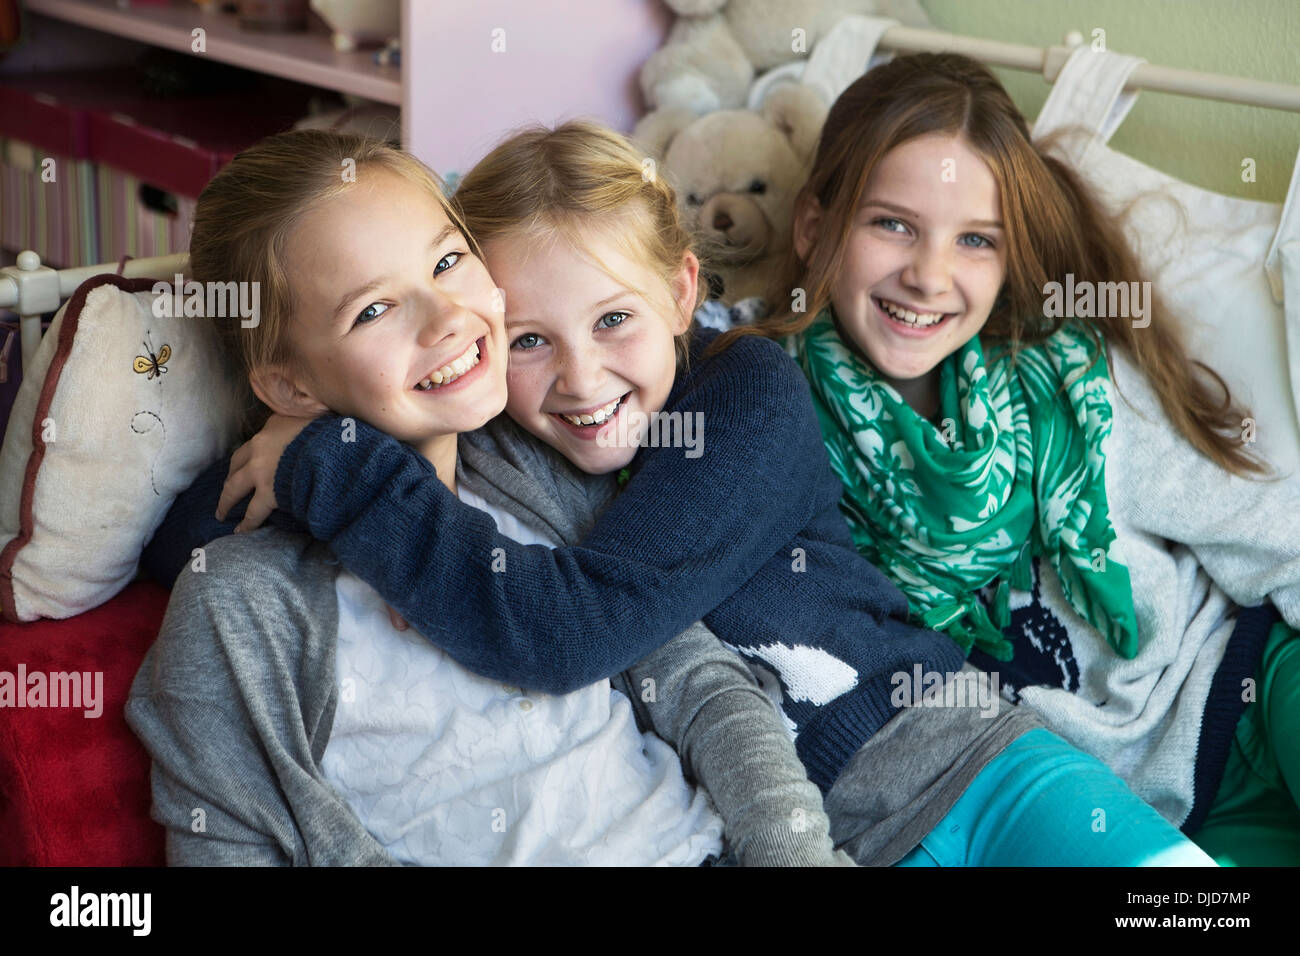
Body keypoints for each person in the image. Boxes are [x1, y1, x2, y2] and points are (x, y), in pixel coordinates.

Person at [210, 122, 1216, 866]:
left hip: (965, 762)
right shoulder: (501, 440)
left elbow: (565, 632)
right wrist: (300, 428)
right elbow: (239, 558)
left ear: (684, 292)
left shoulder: (744, 397)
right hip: (801, 833)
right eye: (528, 337)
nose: (580, 379)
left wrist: (328, 450)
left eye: (615, 320)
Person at [127, 129, 850, 867]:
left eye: (447, 262)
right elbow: (224, 837)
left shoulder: (542, 473)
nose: (444, 319)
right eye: (373, 310)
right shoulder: (238, 603)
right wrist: (316, 457)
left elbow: (699, 685)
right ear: (290, 386)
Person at [730, 52, 1300, 865]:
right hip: (1090, 807)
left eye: (975, 241)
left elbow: (1272, 532)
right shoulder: (766, 416)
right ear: (816, 226)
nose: (929, 276)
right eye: (892, 223)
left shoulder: (1070, 382)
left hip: (1245, 695)